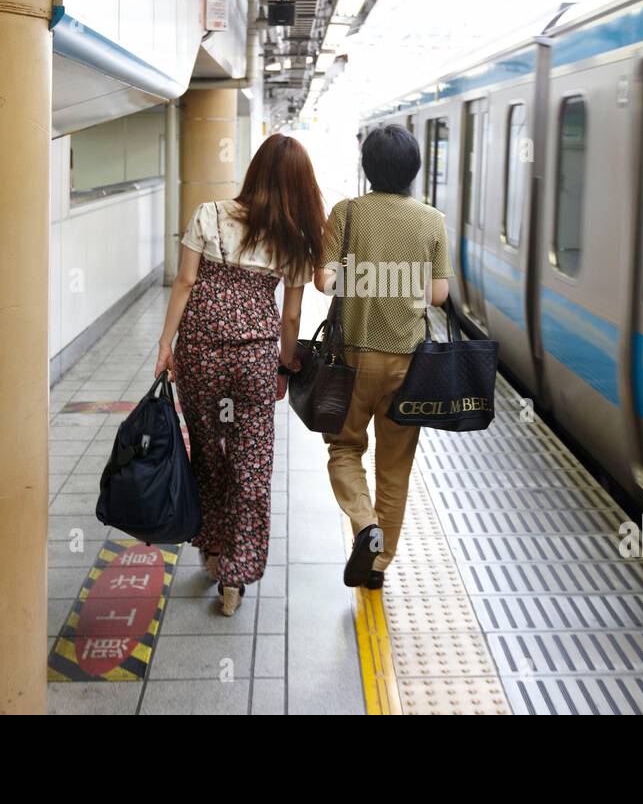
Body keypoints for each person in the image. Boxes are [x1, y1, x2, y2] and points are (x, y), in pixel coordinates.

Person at [154, 134, 325, 616]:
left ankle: (210, 548)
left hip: (201, 355)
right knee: (250, 463)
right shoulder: (295, 241)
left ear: (253, 172)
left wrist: (166, 345)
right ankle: (236, 574)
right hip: (253, 361)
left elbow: (185, 283)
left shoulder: (208, 214)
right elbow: (290, 320)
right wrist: (284, 366)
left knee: (208, 452)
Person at [313, 125, 452, 590]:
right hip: (408, 367)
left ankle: (363, 524)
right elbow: (438, 295)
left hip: (351, 360)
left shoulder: (346, 213)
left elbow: (324, 283)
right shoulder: (431, 220)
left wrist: (356, 278)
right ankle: (378, 564)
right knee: (395, 467)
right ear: (413, 168)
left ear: (366, 167)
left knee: (344, 449)